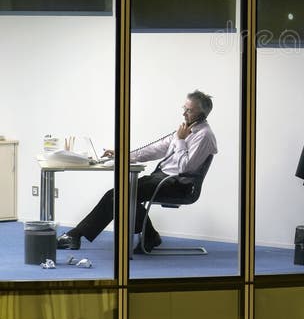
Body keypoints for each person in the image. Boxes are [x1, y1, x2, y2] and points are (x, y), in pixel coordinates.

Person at [57, 90, 217, 253]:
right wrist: (123, 154)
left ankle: (75, 235)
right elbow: (155, 150)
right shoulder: (186, 129)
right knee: (117, 194)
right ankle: (150, 236)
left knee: (121, 196)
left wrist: (181, 140)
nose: (184, 113)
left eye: (189, 110)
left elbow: (185, 168)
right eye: (184, 108)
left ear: (202, 114)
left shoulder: (204, 136)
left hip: (178, 184)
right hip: (162, 178)